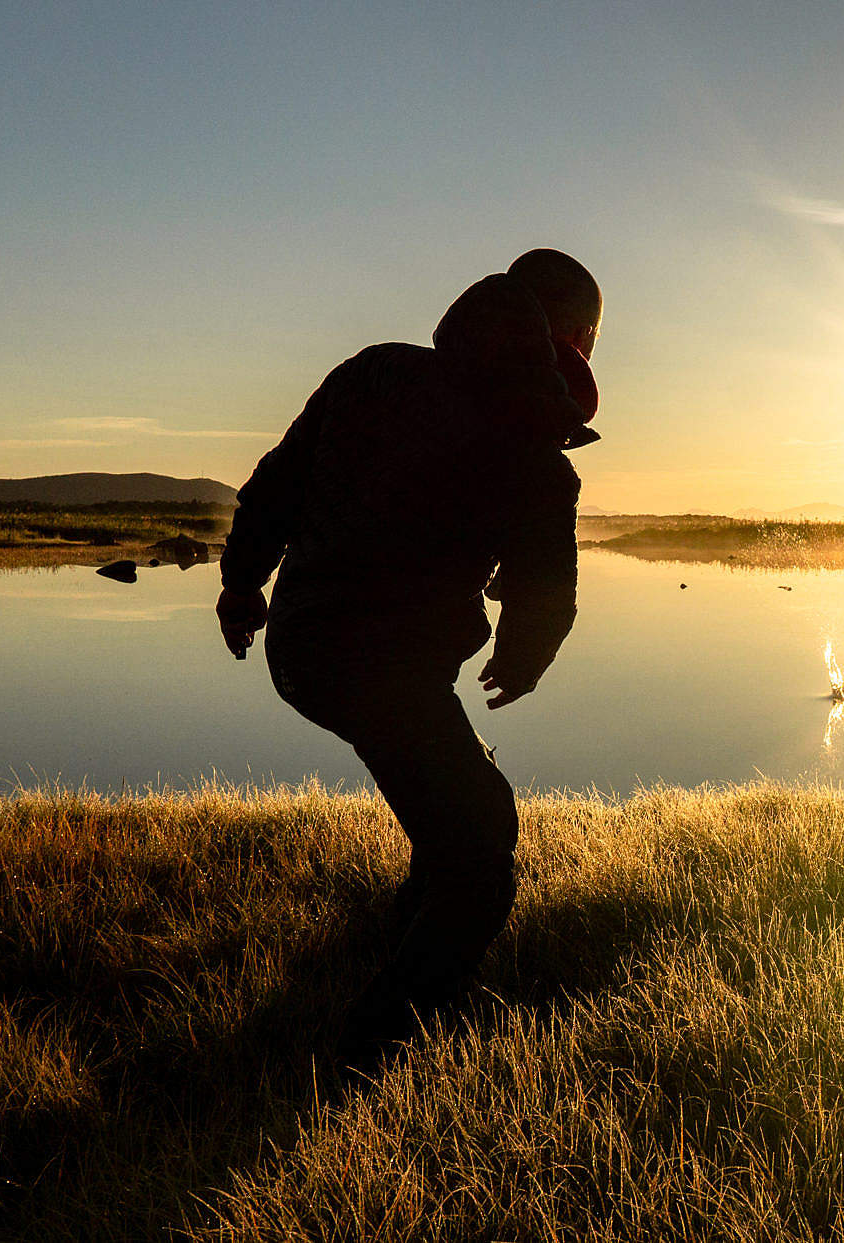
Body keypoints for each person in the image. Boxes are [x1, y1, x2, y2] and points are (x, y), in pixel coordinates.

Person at [214, 248, 602, 1067]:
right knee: (482, 841)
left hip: (302, 648)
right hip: (383, 671)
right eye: (592, 339)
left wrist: (243, 585)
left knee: (453, 798)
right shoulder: (535, 445)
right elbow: (546, 590)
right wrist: (523, 653)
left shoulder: (375, 372)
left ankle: (390, 947)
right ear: (571, 336)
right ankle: (373, 1050)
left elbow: (273, 489)